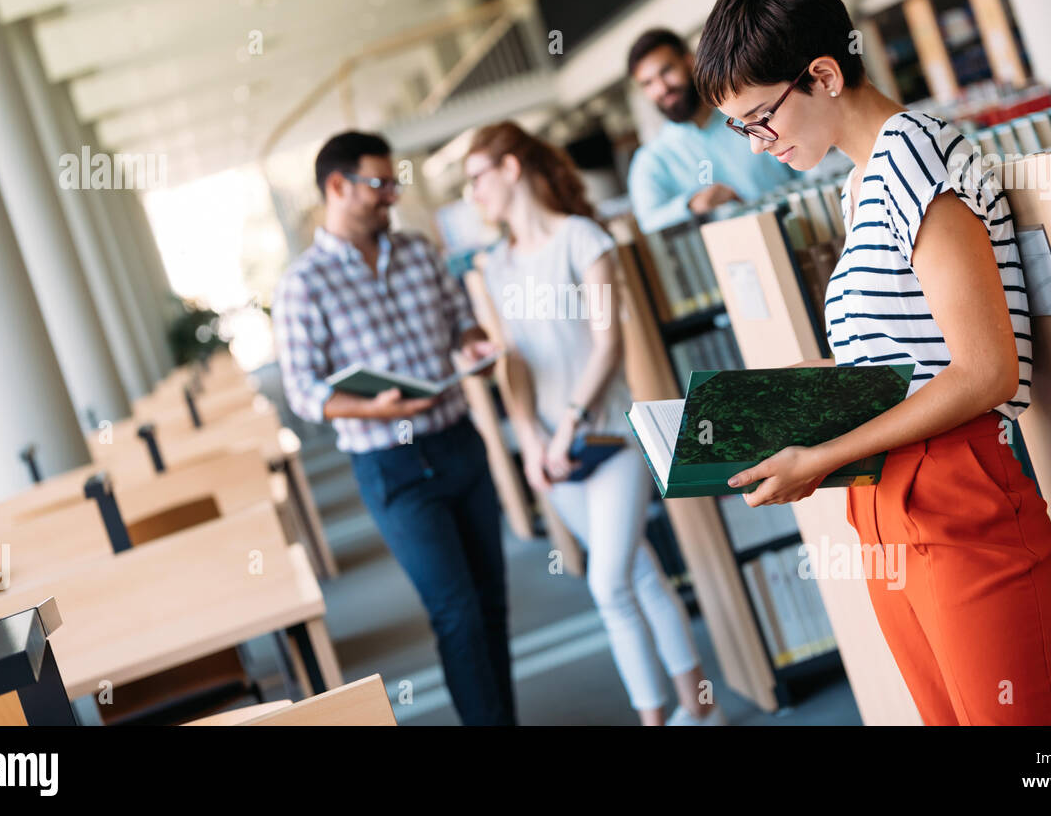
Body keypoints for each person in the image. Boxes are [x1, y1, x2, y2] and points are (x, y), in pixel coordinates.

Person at [693, 0, 1051, 726]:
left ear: (824, 74)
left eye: (759, 119)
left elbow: (986, 369)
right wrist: (808, 390)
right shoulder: (862, 180)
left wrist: (825, 456)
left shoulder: (917, 158)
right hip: (885, 500)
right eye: (740, 129)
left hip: (956, 489)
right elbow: (908, 358)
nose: (756, 145)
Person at [463, 121, 725, 726]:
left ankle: (655, 719)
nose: (473, 194)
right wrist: (530, 440)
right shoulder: (494, 265)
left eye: (478, 177)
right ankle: (701, 707)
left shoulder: (583, 239)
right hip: (553, 451)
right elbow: (516, 366)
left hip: (606, 437)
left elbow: (609, 344)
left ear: (510, 168)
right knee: (638, 572)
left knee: (608, 585)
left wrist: (568, 425)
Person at [273, 130, 517, 727]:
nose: (391, 197)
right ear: (337, 186)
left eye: (392, 184)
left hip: (458, 440)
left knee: (490, 602)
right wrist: (369, 409)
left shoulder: (418, 250)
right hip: (393, 466)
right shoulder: (303, 284)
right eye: (379, 185)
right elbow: (305, 392)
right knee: (454, 610)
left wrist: (473, 345)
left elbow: (461, 322)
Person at [626, 27, 794, 233]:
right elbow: (648, 222)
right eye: (648, 83)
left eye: (667, 71)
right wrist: (691, 204)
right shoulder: (651, 160)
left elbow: (810, 171)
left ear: (689, 62)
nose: (662, 88)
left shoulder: (751, 116)